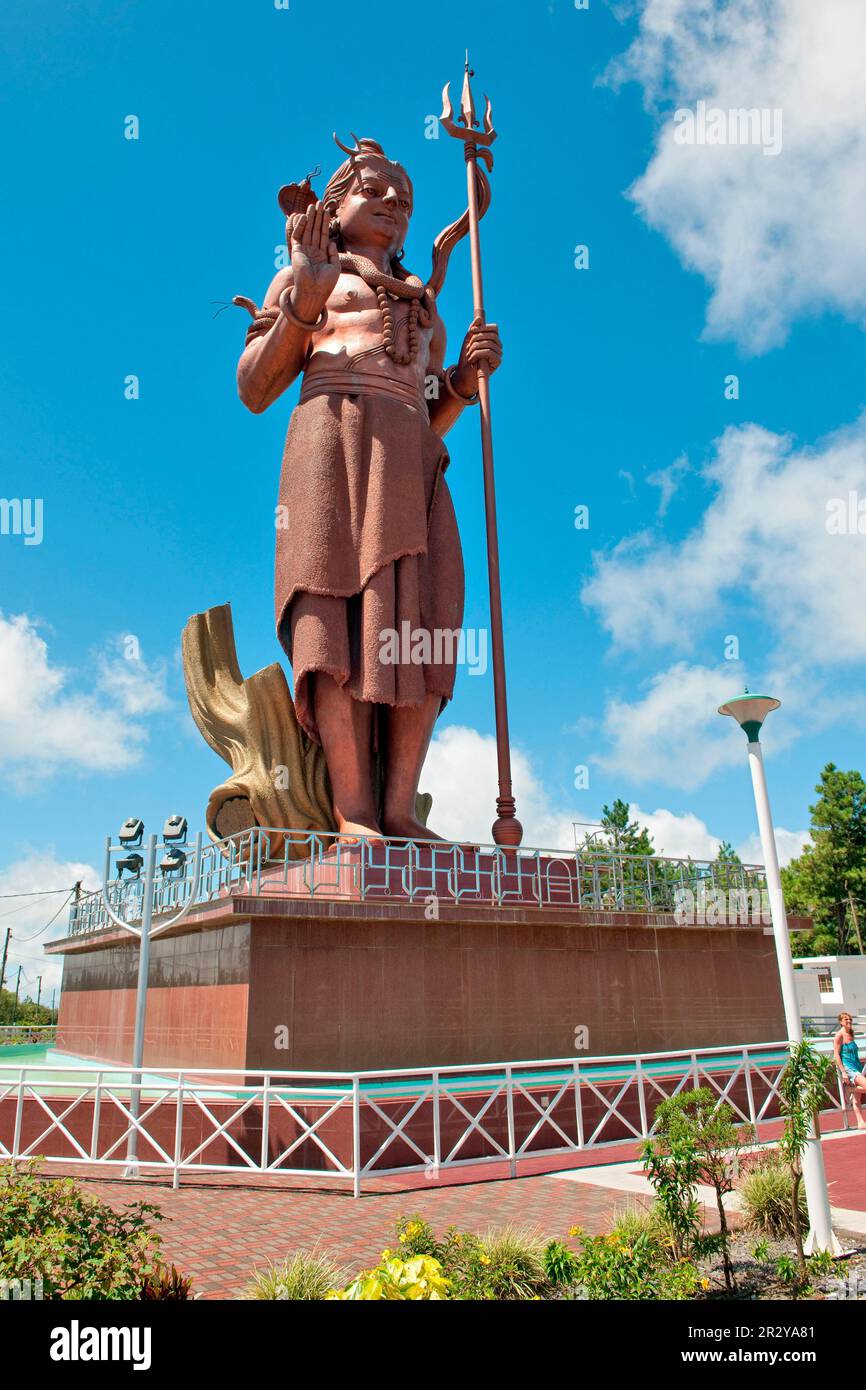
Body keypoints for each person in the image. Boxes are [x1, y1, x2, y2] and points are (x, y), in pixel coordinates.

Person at [236, 137, 502, 842]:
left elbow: (426, 410)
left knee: (422, 626)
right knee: (335, 625)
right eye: (374, 191)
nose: (391, 205)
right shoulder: (309, 277)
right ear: (335, 203)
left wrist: (463, 386)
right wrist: (303, 299)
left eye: (404, 200)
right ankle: (353, 812)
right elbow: (255, 389)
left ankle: (396, 811)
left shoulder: (426, 310)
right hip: (331, 446)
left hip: (412, 465)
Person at [833, 1011, 866, 1130]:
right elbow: (836, 1055)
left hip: (857, 1065)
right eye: (846, 1020)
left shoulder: (851, 1033)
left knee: (857, 1098)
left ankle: (860, 1122)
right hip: (849, 1068)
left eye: (850, 1019)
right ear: (841, 1022)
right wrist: (843, 1072)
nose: (849, 1021)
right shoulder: (839, 1036)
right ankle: (850, 1088)